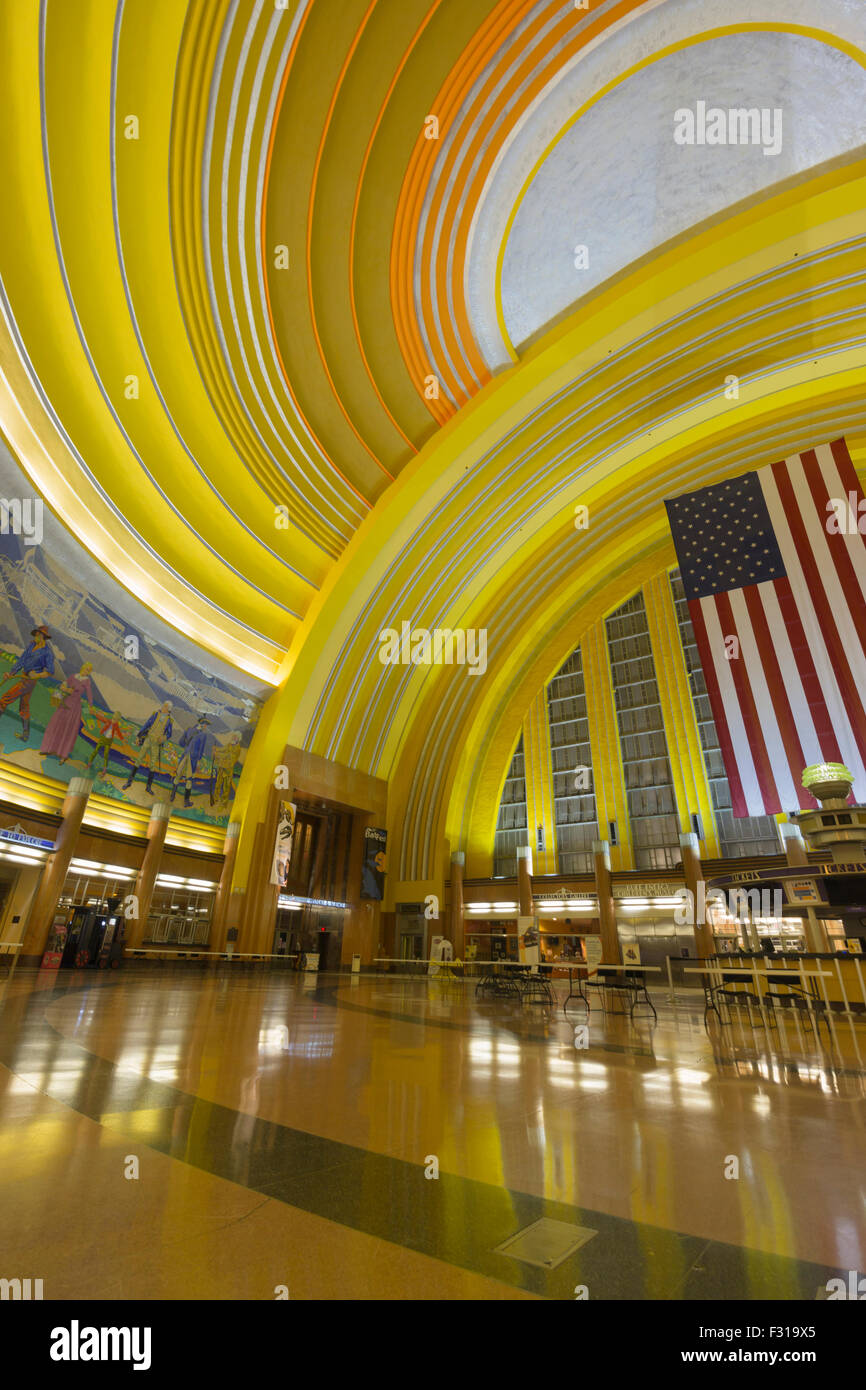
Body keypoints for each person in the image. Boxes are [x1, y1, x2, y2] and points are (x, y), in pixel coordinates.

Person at [0, 626, 55, 741]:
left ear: (42, 636)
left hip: (29, 681)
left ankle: (25, 734)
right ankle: (25, 735)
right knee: (24, 707)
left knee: (5, 699)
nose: (35, 636)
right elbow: (22, 660)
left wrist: (38, 675)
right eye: (35, 634)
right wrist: (11, 672)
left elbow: (50, 671)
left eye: (37, 635)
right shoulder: (32, 645)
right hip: (24, 677)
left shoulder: (47, 653)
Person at [40, 662, 94, 763]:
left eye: (89, 671)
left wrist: (91, 706)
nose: (86, 672)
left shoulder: (86, 681)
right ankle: (49, 748)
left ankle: (63, 755)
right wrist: (64, 686)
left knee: (68, 730)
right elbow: (64, 683)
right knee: (56, 724)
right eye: (86, 669)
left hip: (74, 708)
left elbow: (89, 694)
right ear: (83, 667)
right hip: (65, 703)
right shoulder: (73, 676)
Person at [122, 701, 173, 794]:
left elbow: (169, 734)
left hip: (156, 743)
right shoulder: (155, 714)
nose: (163, 707)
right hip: (148, 739)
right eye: (163, 705)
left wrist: (164, 738)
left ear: (168, 709)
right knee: (139, 759)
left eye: (165, 706)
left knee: (152, 764)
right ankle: (129, 782)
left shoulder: (169, 720)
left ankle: (148, 787)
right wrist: (138, 736)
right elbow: (146, 724)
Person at [170, 715, 212, 808]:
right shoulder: (203, 735)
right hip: (193, 758)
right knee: (189, 780)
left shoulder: (189, 729)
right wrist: (198, 759)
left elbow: (181, 742)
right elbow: (201, 749)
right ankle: (186, 801)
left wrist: (187, 747)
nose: (206, 727)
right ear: (201, 724)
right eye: (205, 724)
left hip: (185, 755)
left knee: (178, 775)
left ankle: (172, 796)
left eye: (206, 725)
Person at [209, 730, 241, 805]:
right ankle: (215, 798)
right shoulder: (229, 744)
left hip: (228, 770)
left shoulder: (237, 749)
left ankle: (224, 802)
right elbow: (223, 749)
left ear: (238, 738)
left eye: (235, 737)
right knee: (218, 783)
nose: (233, 738)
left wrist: (217, 754)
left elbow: (228, 755)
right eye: (233, 736)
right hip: (222, 767)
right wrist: (216, 749)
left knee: (226, 786)